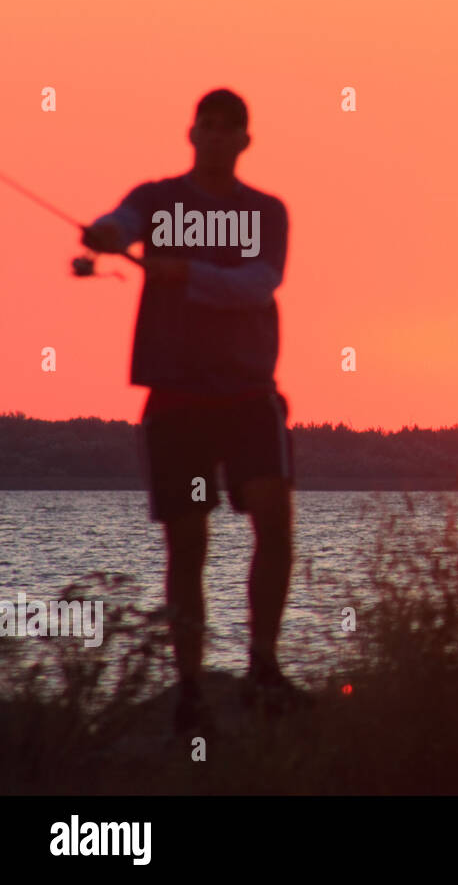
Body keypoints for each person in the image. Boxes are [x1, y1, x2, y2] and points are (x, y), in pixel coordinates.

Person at [81, 88, 308, 735]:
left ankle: (263, 665)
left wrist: (184, 272)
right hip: (176, 400)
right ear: (192, 134)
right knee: (188, 543)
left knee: (275, 520)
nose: (212, 137)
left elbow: (259, 284)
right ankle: (189, 691)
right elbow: (120, 220)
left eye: (225, 129)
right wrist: (107, 235)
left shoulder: (268, 212)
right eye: (203, 127)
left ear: (245, 141)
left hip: (248, 397)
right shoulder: (155, 199)